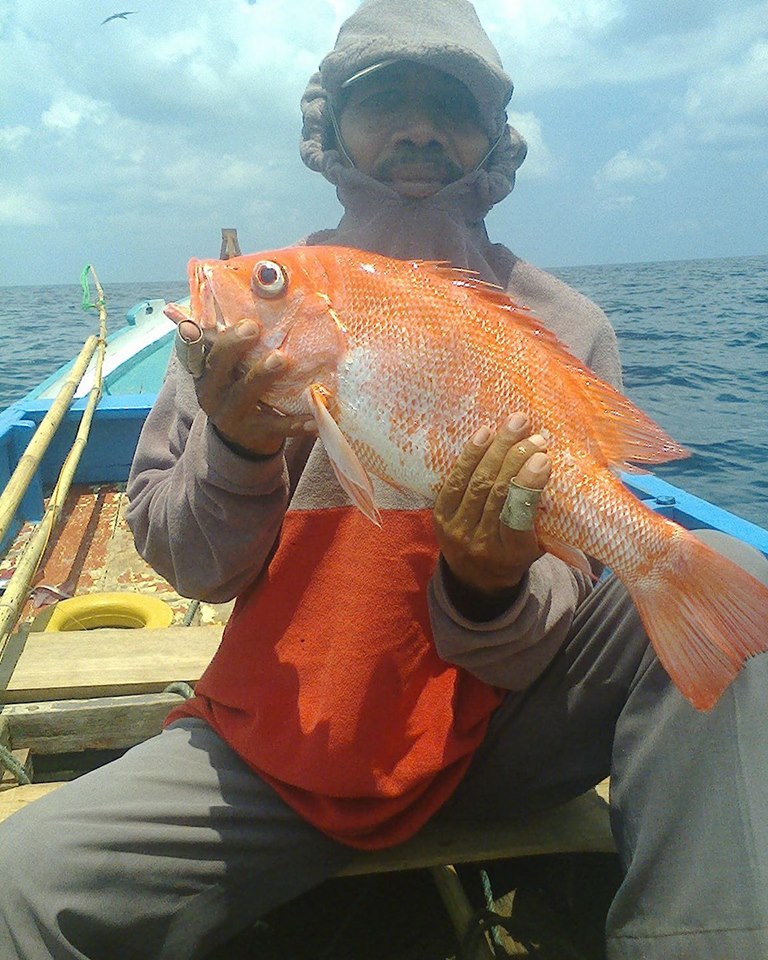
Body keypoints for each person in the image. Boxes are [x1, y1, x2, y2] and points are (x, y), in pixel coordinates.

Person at [1, 1, 767, 958]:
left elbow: (560, 601)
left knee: (729, 578)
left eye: (450, 104)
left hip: (500, 732)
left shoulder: (566, 326)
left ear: (495, 138)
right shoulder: (234, 332)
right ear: (331, 130)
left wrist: (486, 583)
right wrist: (239, 449)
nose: (417, 126)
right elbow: (190, 569)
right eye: (384, 102)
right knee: (15, 889)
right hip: (283, 748)